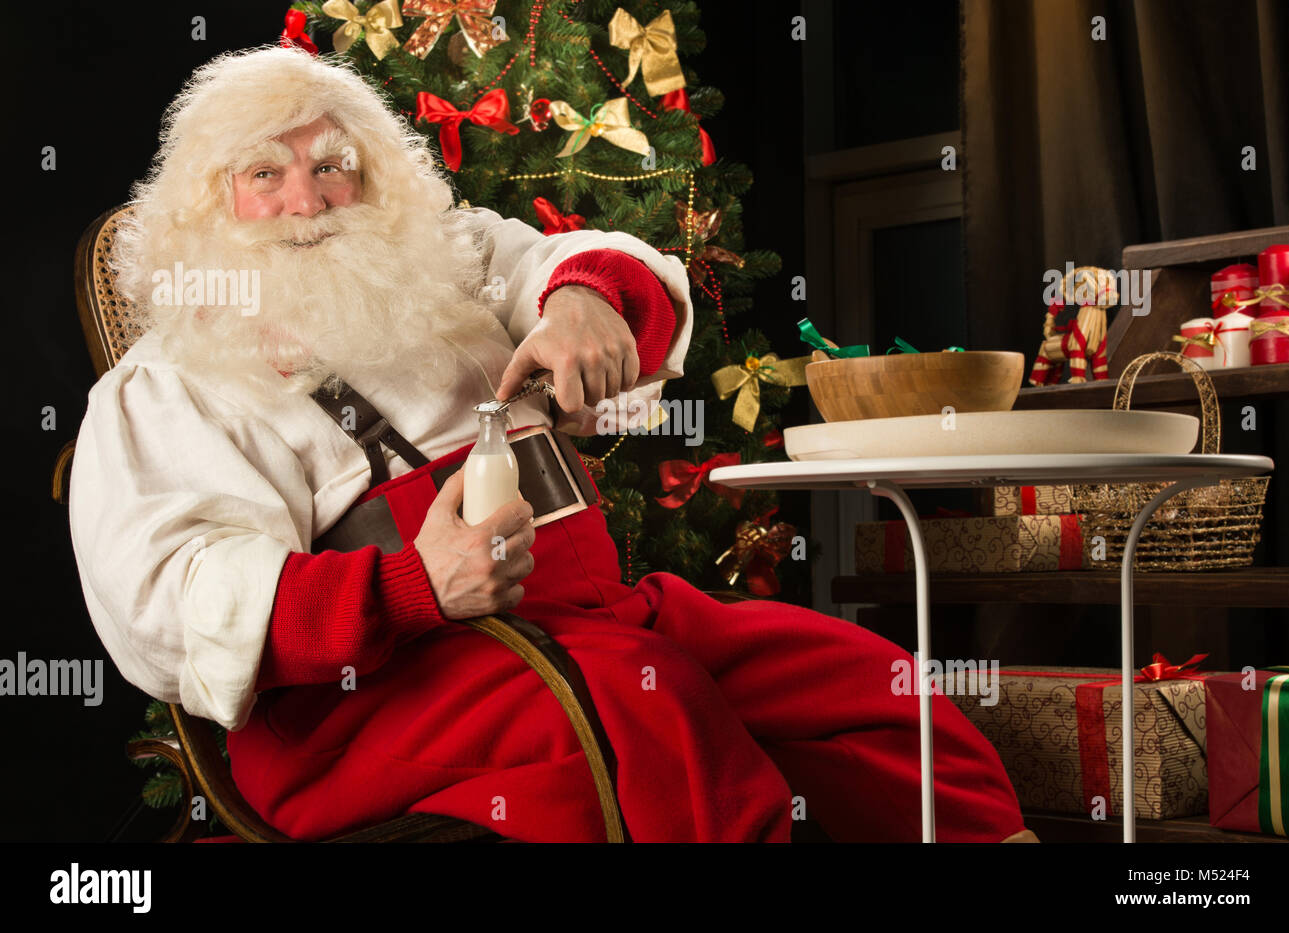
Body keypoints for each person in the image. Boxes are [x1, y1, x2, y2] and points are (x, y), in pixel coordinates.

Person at [69, 47, 1032, 843]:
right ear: (210, 202)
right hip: (372, 695)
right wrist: (410, 586)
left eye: (333, 164)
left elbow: (570, 262)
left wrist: (582, 302)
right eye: (264, 174)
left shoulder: (443, 261)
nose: (309, 201)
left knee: (870, 688)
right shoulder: (167, 386)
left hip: (592, 616)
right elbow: (174, 599)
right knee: (646, 720)